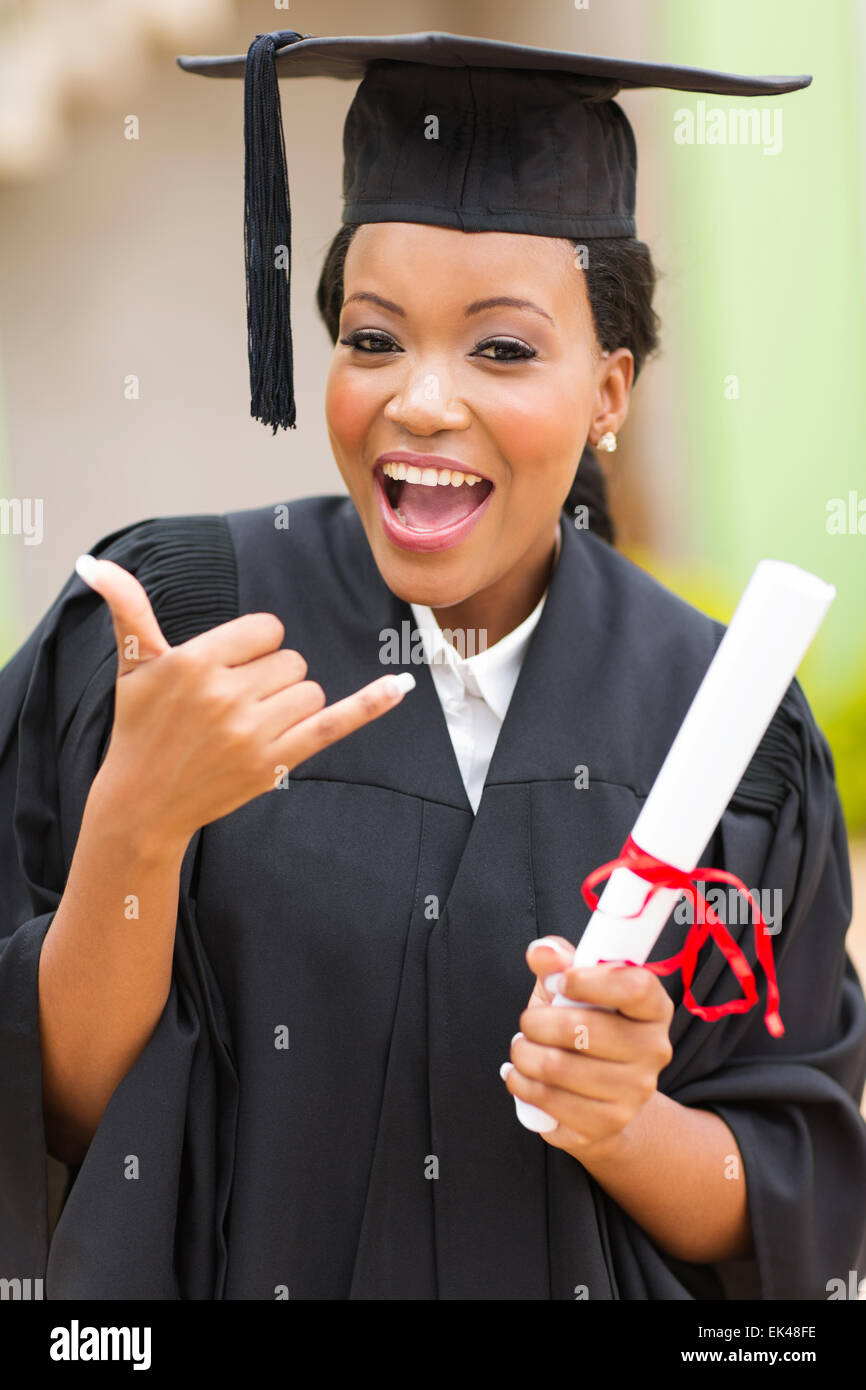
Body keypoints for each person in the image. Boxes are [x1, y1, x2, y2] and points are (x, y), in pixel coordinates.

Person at [1, 29, 865, 1301]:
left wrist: (625, 1120)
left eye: (501, 349)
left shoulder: (723, 726)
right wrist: (136, 825)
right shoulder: (175, 635)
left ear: (608, 389)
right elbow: (50, 1123)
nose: (419, 400)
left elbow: (787, 1195)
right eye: (371, 339)